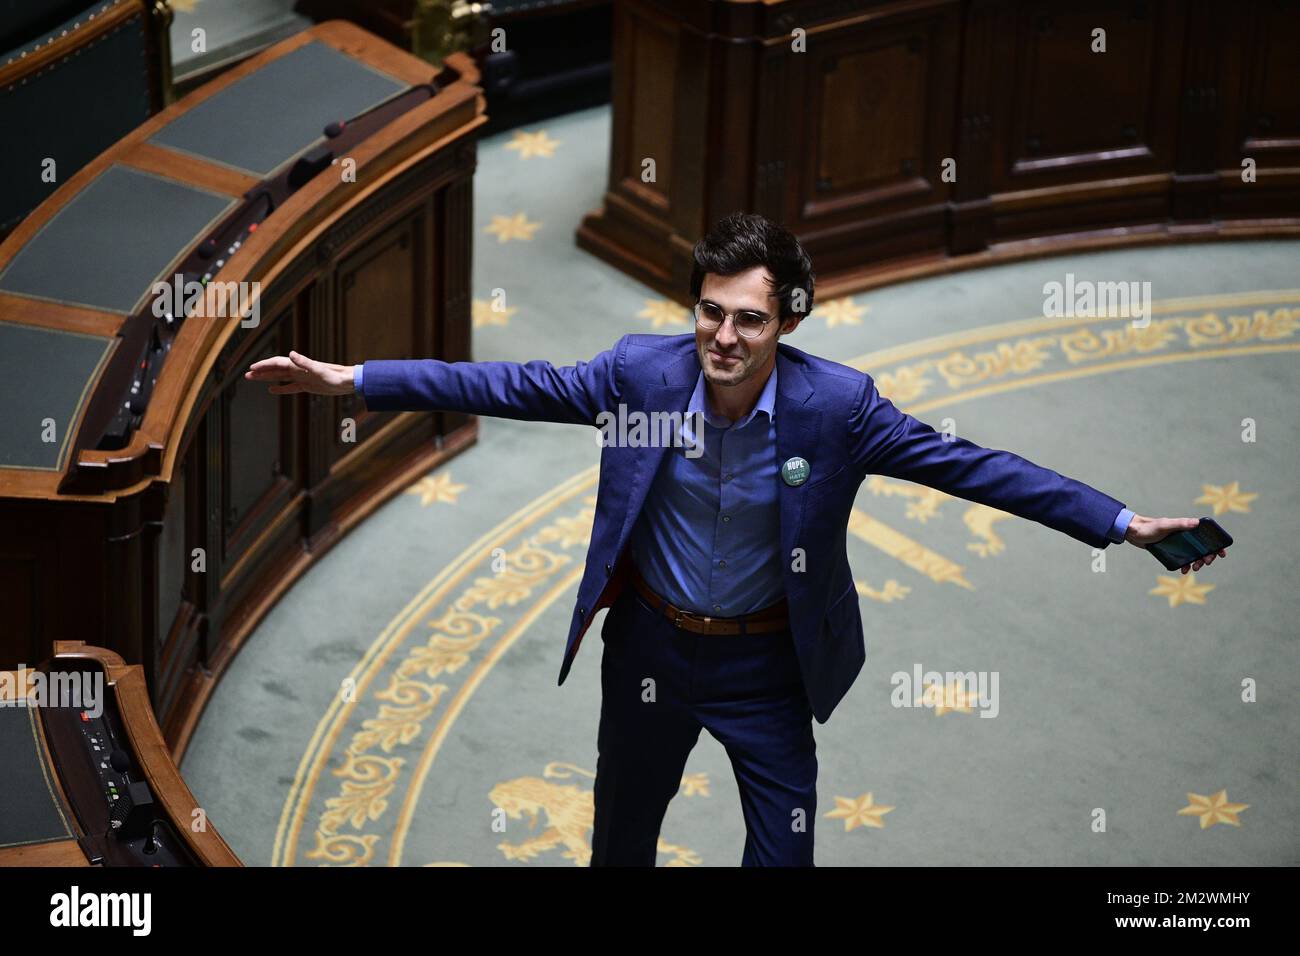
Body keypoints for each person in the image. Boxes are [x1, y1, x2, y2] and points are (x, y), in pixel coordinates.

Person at [245, 212, 1227, 866]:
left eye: (747, 318)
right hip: (650, 649)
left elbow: (973, 466)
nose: (722, 334)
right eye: (709, 310)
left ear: (788, 317)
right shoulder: (639, 375)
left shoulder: (838, 408)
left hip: (767, 662)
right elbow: (504, 383)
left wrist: (1121, 522)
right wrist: (353, 380)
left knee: (783, 848)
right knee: (623, 832)